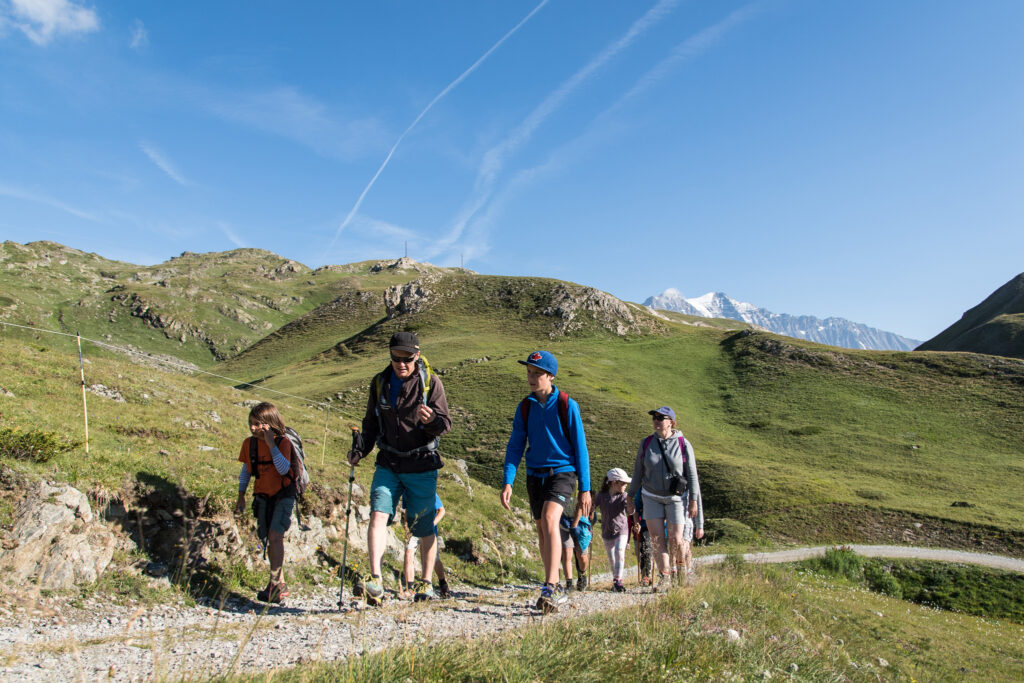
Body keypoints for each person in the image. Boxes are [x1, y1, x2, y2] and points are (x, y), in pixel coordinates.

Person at [347, 331, 452, 604]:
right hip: (389, 462)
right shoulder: (380, 383)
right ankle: (375, 580)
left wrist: (431, 422)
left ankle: (426, 584)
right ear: (390, 355)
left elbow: (445, 424)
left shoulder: (430, 383)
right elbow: (370, 424)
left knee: (425, 527)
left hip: (421, 464)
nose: (402, 364)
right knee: (378, 515)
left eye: (407, 359)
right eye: (397, 358)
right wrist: (360, 451)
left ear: (417, 355)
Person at [501, 350, 592, 614]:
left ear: (550, 376)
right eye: (529, 372)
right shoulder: (525, 406)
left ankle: (551, 586)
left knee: (551, 519)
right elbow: (515, 446)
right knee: (542, 528)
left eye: (537, 373)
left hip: (562, 473)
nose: (531, 377)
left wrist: (585, 489)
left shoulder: (567, 404)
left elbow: (581, 448)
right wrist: (508, 481)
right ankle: (552, 583)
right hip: (535, 475)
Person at [625, 406, 701, 593]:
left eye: (661, 417)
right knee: (657, 539)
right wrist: (630, 496)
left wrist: (693, 500)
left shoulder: (683, 444)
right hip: (651, 496)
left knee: (676, 539)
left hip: (676, 498)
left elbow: (692, 475)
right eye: (654, 418)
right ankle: (664, 576)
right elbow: (637, 472)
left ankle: (680, 568)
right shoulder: (646, 443)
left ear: (671, 422)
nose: (656, 420)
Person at [235, 402, 297, 604]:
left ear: (269, 424)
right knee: (268, 538)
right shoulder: (249, 444)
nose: (252, 428)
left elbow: (283, 469)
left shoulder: (283, 443)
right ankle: (279, 583)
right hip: (262, 495)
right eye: (250, 423)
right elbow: (246, 471)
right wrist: (241, 495)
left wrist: (271, 445)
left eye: (257, 424)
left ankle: (275, 584)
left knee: (275, 536)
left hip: (283, 495)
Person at [400, 493, 451, 598]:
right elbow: (406, 510)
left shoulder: (428, 489)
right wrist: (406, 525)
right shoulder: (406, 492)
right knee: (408, 553)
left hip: (428, 531)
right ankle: (410, 588)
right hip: (413, 529)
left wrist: (431, 524)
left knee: (434, 560)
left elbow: (441, 510)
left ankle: (443, 584)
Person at [593, 468, 632, 592]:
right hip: (606, 531)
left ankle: (618, 581)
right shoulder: (601, 496)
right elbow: (592, 507)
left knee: (619, 552)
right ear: (614, 483)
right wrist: (589, 517)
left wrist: (631, 506)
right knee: (612, 559)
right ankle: (615, 580)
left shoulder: (624, 496)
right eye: (623, 483)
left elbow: (630, 511)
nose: (625, 486)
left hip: (622, 529)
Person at [558, 501, 592, 592]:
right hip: (563, 523)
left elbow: (582, 503)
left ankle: (582, 574)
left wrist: (575, 524)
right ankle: (569, 583)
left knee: (582, 556)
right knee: (566, 553)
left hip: (581, 524)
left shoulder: (580, 488)